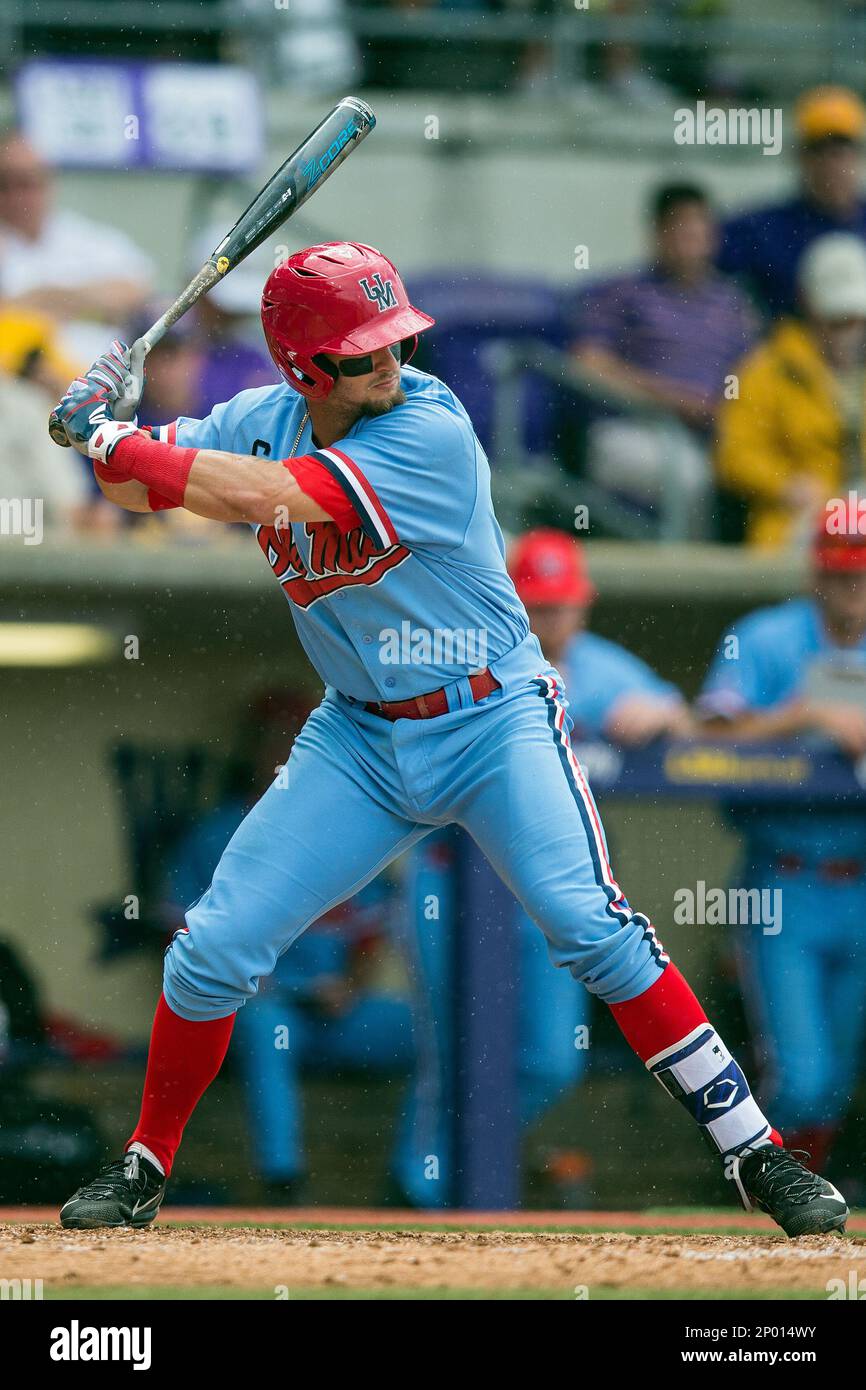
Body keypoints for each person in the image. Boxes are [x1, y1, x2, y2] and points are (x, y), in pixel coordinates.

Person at [52, 241, 845, 1237]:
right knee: (213, 946)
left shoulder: (427, 425)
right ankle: (143, 1164)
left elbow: (265, 498)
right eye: (363, 351)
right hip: (358, 738)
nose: (390, 362)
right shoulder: (254, 421)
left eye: (397, 339)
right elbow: (148, 490)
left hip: (489, 714)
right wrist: (101, 434)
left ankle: (754, 1155)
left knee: (591, 924)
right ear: (303, 367)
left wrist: (112, 440)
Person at [394, 528, 692, 1207]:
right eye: (538, 603)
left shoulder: (601, 666)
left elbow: (680, 709)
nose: (551, 618)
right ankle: (420, 1190)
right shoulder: (464, 651)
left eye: (562, 604)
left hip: (542, 890)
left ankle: (463, 1166)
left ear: (582, 606)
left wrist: (663, 710)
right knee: (450, 1054)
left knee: (555, 1058)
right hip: (453, 881)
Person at [160, 692, 413, 1199]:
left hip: (338, 1012)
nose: (286, 748)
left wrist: (349, 986)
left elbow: (370, 932)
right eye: (275, 737)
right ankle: (283, 1180)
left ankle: (417, 1180)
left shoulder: (351, 825)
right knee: (265, 1027)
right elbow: (183, 936)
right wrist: (257, 985)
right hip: (265, 1007)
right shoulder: (218, 832)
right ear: (252, 748)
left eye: (297, 736)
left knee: (437, 1030)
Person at [698, 515, 866, 1175]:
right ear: (815, 573)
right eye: (839, 570)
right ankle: (761, 1183)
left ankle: (802, 1197)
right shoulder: (765, 637)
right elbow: (704, 738)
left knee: (836, 1077)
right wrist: (802, 717)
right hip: (784, 881)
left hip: (860, 881)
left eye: (862, 570)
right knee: (801, 1072)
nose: (852, 585)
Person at [571, 182, 756, 537]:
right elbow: (587, 363)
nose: (690, 239)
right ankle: (691, 584)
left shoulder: (735, 304)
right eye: (679, 228)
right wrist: (673, 399)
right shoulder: (625, 292)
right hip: (635, 429)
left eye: (698, 228)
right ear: (657, 233)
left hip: (716, 432)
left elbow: (759, 371)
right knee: (690, 477)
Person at [716, 232, 866, 548]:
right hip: (797, 523)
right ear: (808, 306)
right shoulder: (765, 370)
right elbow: (734, 454)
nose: (847, 331)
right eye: (836, 320)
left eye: (854, 319)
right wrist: (785, 484)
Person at [0, 132, 153, 364]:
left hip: (106, 380)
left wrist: (46, 298)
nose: (17, 196)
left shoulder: (79, 236)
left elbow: (136, 290)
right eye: (5, 185)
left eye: (27, 183)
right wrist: (88, 306)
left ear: (47, 183)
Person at [719, 86, 866, 318]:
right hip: (789, 350)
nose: (831, 164)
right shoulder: (764, 228)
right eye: (819, 151)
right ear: (800, 156)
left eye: (840, 151)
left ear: (857, 155)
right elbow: (696, 255)